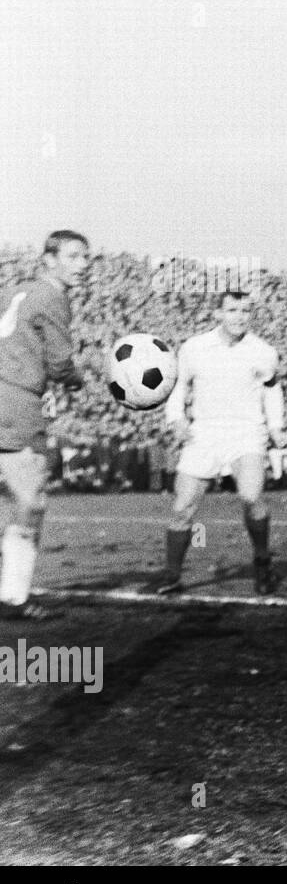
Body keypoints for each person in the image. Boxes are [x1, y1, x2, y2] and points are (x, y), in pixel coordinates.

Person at [143, 290, 287, 595]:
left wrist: (275, 426)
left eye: (246, 311)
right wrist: (176, 419)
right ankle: (172, 575)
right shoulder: (195, 347)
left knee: (250, 497)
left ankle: (262, 562)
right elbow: (178, 386)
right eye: (232, 310)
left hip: (247, 433)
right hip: (204, 433)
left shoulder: (263, 351)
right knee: (183, 507)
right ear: (218, 314)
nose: (240, 316)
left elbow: (273, 388)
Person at [0, 230, 88, 620]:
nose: (82, 266)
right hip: (15, 401)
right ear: (49, 259)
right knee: (31, 500)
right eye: (73, 256)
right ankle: (14, 595)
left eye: (85, 258)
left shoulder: (16, 290)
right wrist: (75, 380)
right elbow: (59, 363)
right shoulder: (53, 296)